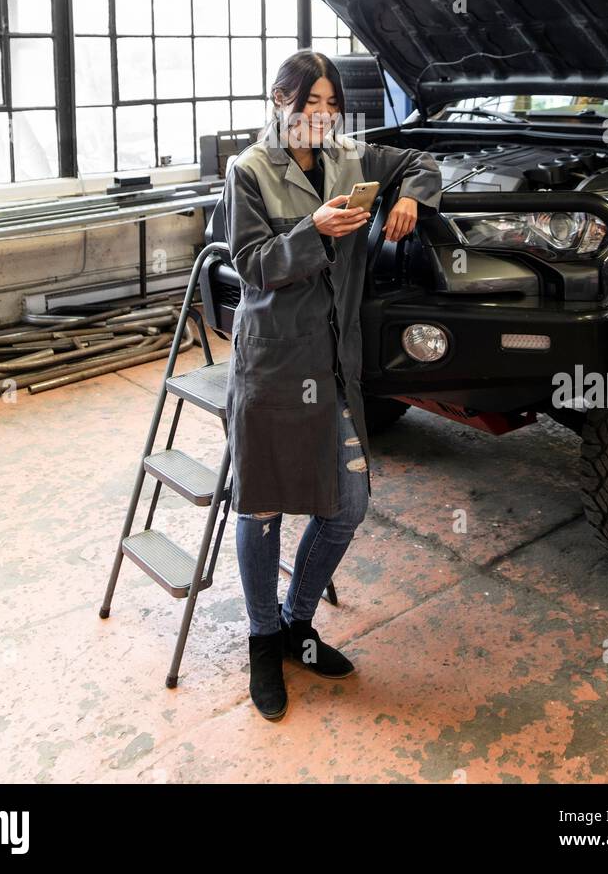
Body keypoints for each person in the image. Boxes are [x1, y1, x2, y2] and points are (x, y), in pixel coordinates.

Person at [222, 49, 442, 720]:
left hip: (334, 365)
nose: (320, 116)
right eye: (307, 103)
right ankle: (264, 640)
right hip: (273, 363)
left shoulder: (351, 158)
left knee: (346, 505)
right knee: (261, 507)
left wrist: (410, 196)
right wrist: (311, 233)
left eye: (329, 104)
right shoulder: (249, 170)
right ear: (278, 100)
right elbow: (251, 263)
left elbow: (422, 161)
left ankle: (297, 621)